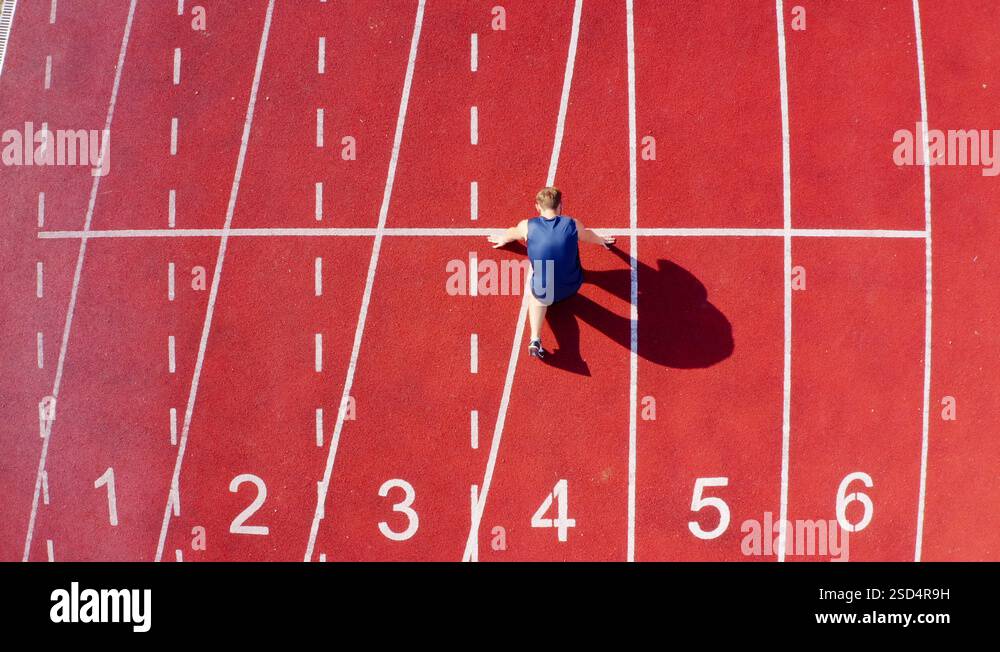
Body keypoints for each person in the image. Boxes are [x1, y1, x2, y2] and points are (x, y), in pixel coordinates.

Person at [487, 187, 615, 358]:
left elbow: (512, 233)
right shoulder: (572, 224)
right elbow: (587, 235)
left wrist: (503, 238)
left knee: (536, 294)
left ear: (537, 207)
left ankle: (535, 338)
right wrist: (601, 241)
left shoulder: (527, 226)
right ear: (560, 205)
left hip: (545, 291)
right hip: (572, 285)